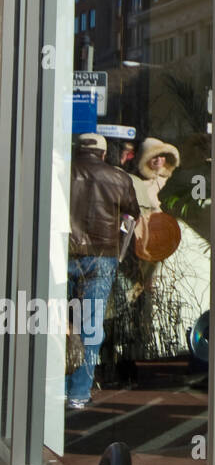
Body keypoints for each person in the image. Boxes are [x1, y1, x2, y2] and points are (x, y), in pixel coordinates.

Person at [67, 132, 139, 408]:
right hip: (103, 256)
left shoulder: (62, 172)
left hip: (63, 254)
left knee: (59, 322)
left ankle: (58, 386)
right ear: (104, 153)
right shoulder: (119, 178)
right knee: (91, 326)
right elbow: (131, 215)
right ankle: (79, 392)